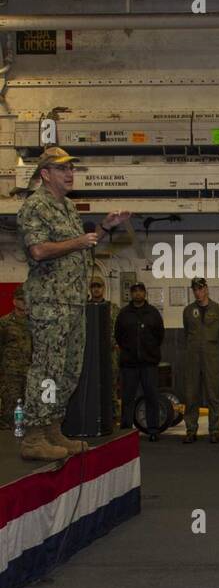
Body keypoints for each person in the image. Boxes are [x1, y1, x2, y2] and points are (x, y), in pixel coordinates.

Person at [16, 146, 130, 461]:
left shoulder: (67, 206)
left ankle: (53, 428)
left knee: (68, 370)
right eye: (63, 168)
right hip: (50, 303)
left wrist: (104, 229)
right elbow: (38, 250)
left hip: (73, 303)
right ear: (45, 174)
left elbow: (83, 251)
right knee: (47, 369)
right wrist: (78, 240)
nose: (70, 174)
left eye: (72, 168)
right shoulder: (34, 207)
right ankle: (33, 436)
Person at [181, 277, 219, 444]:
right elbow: (186, 334)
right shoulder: (188, 311)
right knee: (191, 395)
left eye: (200, 289)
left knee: (214, 395)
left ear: (206, 289)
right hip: (193, 358)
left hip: (212, 357)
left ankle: (214, 430)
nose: (198, 292)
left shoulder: (218, 309)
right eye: (195, 289)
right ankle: (191, 430)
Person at [114, 282, 164, 440]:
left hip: (149, 364)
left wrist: (150, 352)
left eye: (140, 291)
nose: (137, 294)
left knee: (151, 397)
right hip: (129, 365)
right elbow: (118, 336)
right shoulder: (123, 314)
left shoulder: (153, 313)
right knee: (128, 398)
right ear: (131, 294)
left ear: (145, 293)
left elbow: (159, 335)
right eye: (134, 291)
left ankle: (153, 430)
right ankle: (125, 431)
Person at [87, 273, 121, 423]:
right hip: (90, 354)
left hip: (109, 353)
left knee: (111, 384)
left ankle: (113, 415)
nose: (96, 290)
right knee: (91, 384)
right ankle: (92, 414)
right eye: (93, 287)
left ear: (103, 288)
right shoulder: (85, 308)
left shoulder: (112, 309)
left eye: (98, 286)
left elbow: (120, 330)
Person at [0, 287, 32, 428]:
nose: (24, 302)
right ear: (14, 301)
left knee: (29, 407)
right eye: (21, 299)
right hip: (11, 372)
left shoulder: (34, 323)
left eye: (26, 299)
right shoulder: (5, 322)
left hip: (30, 371)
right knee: (11, 408)